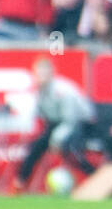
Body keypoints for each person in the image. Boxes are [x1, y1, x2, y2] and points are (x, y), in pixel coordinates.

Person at [17, 58, 98, 190]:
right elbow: (39, 114)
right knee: (35, 147)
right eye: (39, 73)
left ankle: (95, 177)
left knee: (71, 149)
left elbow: (70, 119)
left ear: (52, 73)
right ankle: (20, 182)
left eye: (44, 73)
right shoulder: (39, 91)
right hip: (56, 125)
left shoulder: (62, 90)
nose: (41, 77)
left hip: (81, 123)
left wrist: (57, 138)